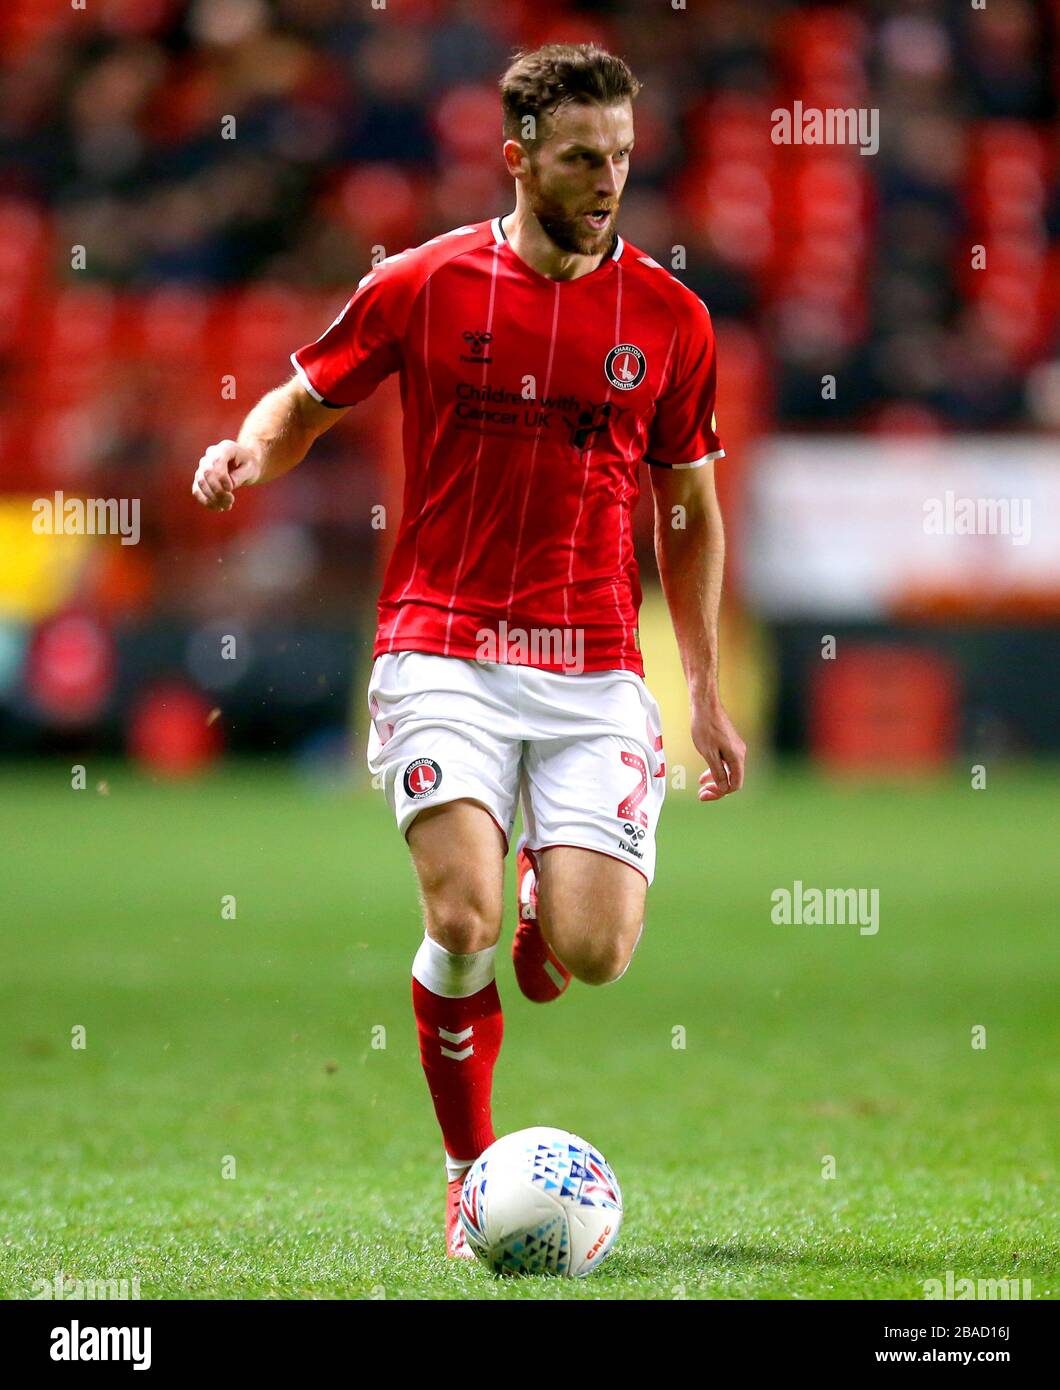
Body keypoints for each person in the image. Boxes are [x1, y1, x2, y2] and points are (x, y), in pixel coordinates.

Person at [192, 42, 746, 1259]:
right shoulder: (425, 282)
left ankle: (560, 894)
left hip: (594, 661)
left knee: (591, 957)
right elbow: (305, 397)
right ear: (517, 159)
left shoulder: (669, 316)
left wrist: (700, 687)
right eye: (581, 158)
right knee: (460, 918)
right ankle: (465, 1171)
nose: (607, 180)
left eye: (621, 158)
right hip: (440, 645)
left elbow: (689, 509)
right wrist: (246, 449)